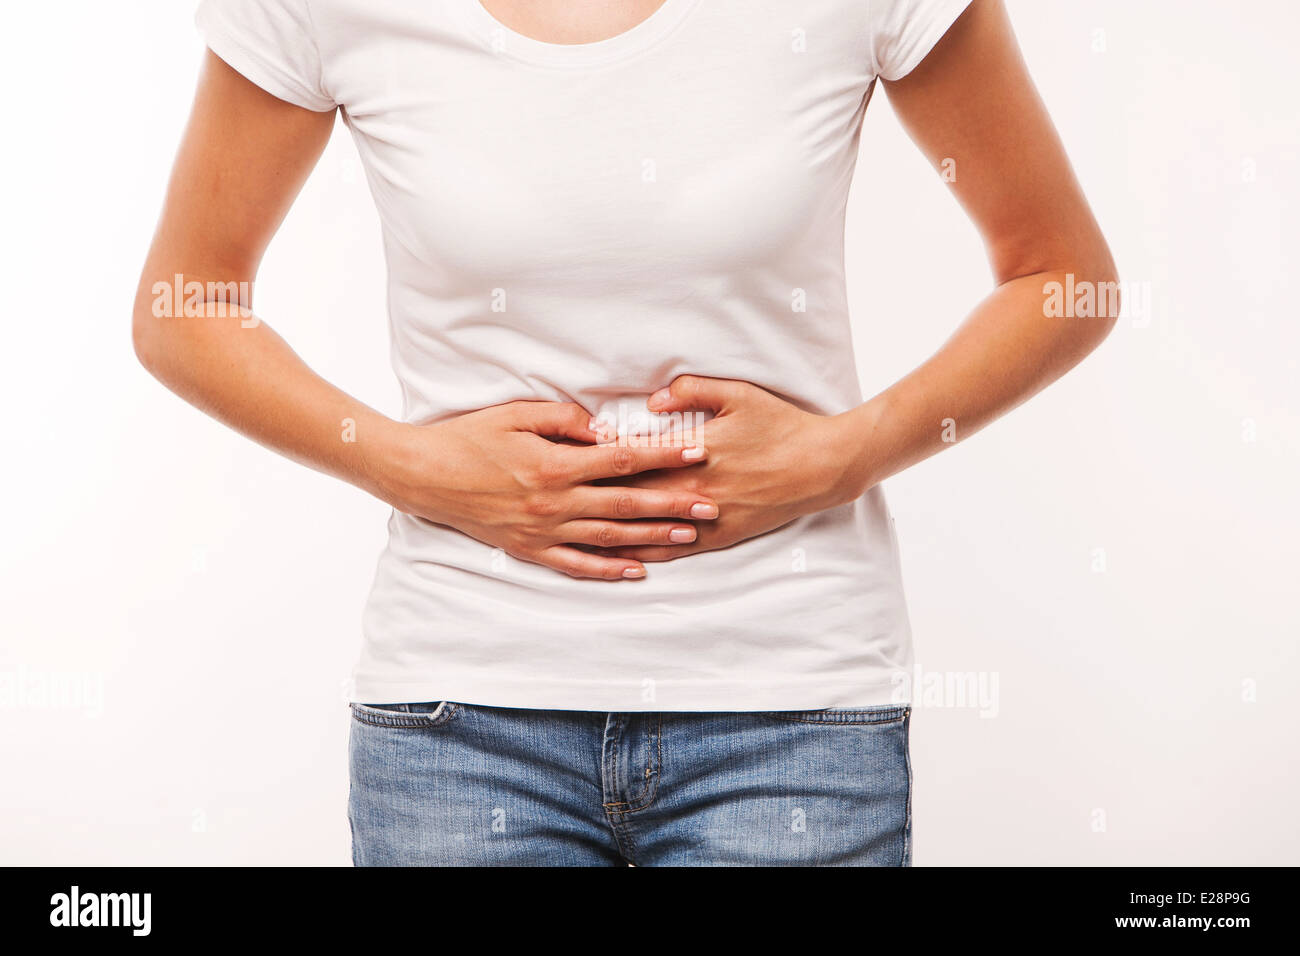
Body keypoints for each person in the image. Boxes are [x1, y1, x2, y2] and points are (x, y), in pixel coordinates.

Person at [133, 0, 1118, 865]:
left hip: (790, 707)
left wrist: (841, 454)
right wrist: (413, 466)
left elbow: (1062, 280)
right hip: (462, 712)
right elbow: (185, 307)